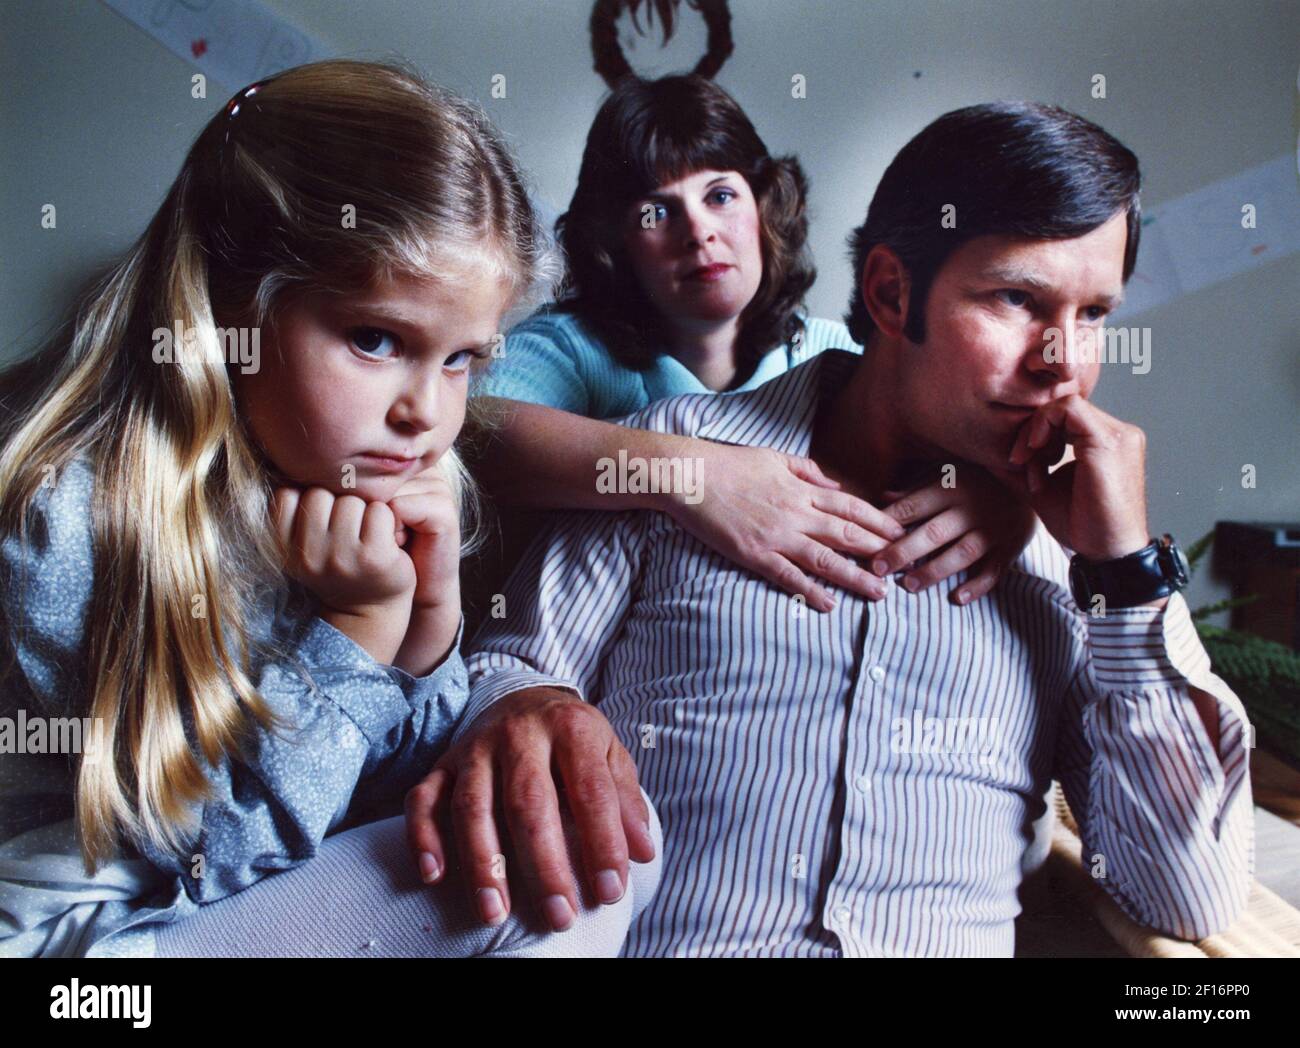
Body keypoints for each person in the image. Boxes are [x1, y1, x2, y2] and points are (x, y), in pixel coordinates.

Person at [407, 101, 1255, 956]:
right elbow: (513, 650)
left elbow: (1187, 898)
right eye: (1016, 299)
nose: (1063, 364)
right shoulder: (672, 450)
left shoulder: (1069, 559)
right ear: (890, 292)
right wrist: (526, 703)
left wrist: (1128, 574)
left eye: (1095, 314)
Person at [0, 59, 659, 958]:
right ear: (228, 304)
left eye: (463, 358)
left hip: (204, 904)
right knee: (548, 885)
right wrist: (353, 638)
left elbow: (361, 789)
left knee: (588, 852)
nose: (424, 412)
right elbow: (201, 861)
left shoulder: (357, 478)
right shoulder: (65, 516)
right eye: (377, 339)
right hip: (88, 946)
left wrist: (424, 631)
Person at [462, 74, 1037, 633]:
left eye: (720, 196)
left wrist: (1006, 497)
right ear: (614, 240)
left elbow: (951, 419)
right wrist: (695, 477)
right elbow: (470, 438)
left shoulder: (830, 351)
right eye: (656, 212)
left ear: (764, 208)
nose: (699, 231)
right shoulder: (572, 346)